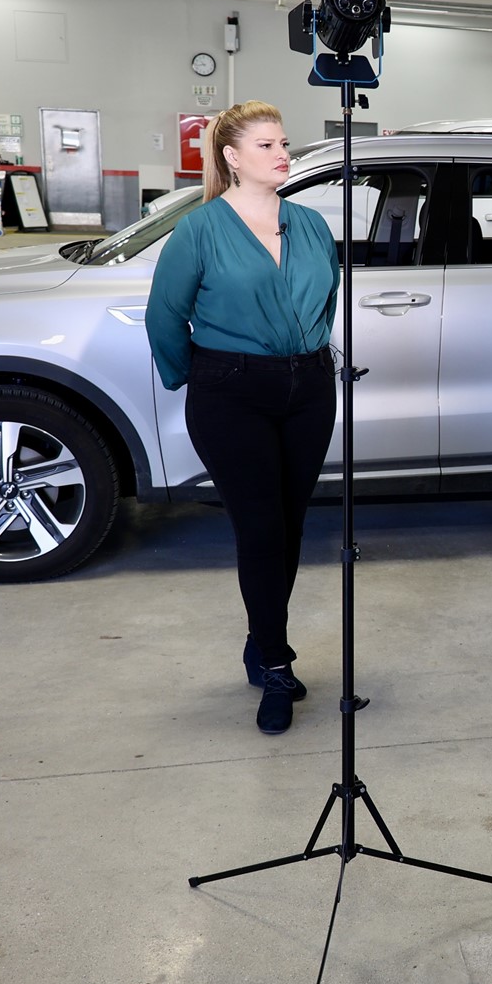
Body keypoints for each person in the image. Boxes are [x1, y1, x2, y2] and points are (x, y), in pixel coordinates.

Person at [146, 100, 339, 735]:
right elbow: (165, 318)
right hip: (231, 394)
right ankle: (277, 664)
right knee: (260, 530)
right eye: (265, 145)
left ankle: (261, 645)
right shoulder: (200, 230)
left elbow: (325, 300)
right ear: (231, 157)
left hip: (308, 388)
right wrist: (201, 377)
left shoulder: (310, 225)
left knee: (288, 527)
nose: (283, 153)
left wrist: (304, 357)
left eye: (284, 142)